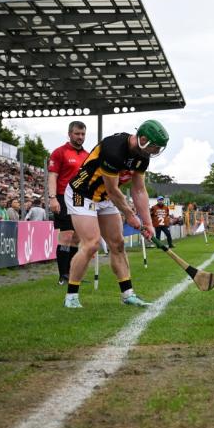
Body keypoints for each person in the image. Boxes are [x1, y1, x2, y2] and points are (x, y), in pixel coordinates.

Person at [64, 119, 168, 308]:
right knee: (92, 244)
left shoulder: (142, 157)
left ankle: (128, 295)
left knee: (118, 244)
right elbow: (113, 190)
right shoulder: (114, 149)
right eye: (153, 147)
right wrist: (129, 214)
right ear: (143, 138)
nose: (154, 151)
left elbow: (139, 190)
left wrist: (148, 223)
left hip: (105, 198)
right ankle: (71, 296)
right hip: (82, 194)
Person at [48, 121, 88, 284]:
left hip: (80, 198)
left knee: (77, 237)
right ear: (70, 134)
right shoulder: (60, 152)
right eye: (77, 134)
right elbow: (53, 176)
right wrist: (52, 198)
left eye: (83, 134)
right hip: (63, 197)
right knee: (66, 235)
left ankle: (72, 274)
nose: (80, 137)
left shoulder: (87, 155)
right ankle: (62, 275)